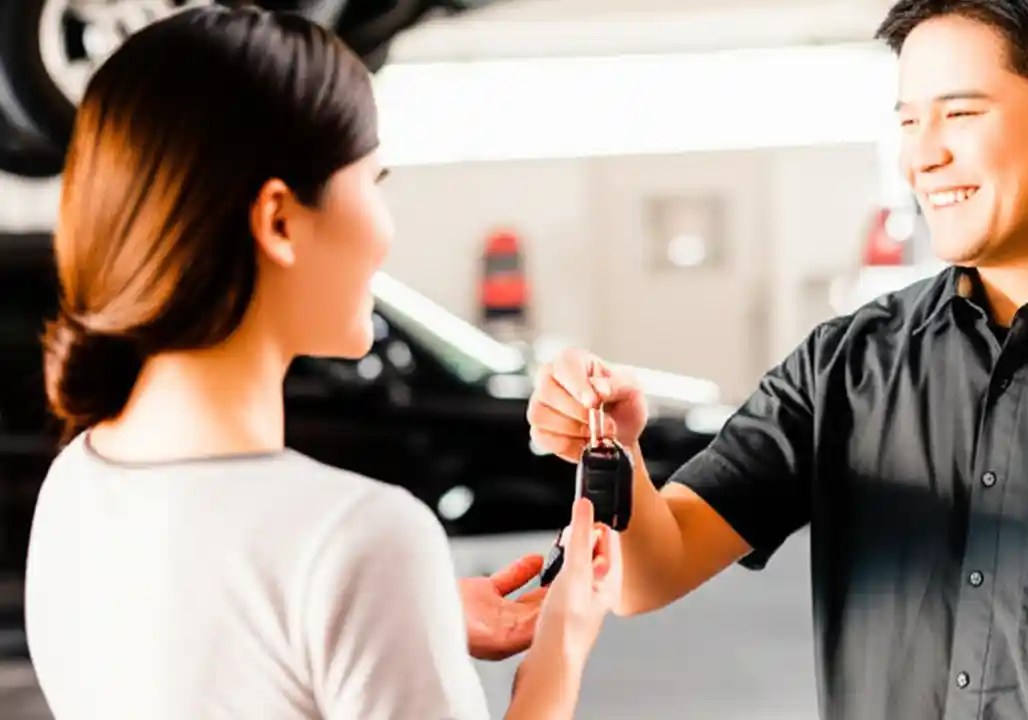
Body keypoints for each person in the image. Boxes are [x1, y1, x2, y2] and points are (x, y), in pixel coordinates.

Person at [527, 1, 1028, 718]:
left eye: (960, 112)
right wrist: (616, 448)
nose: (923, 154)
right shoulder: (849, 365)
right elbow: (647, 573)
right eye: (909, 120)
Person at [23, 7, 619, 720]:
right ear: (279, 220)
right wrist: (561, 648)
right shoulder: (358, 537)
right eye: (373, 181)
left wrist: (402, 619)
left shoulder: (76, 485)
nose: (385, 229)